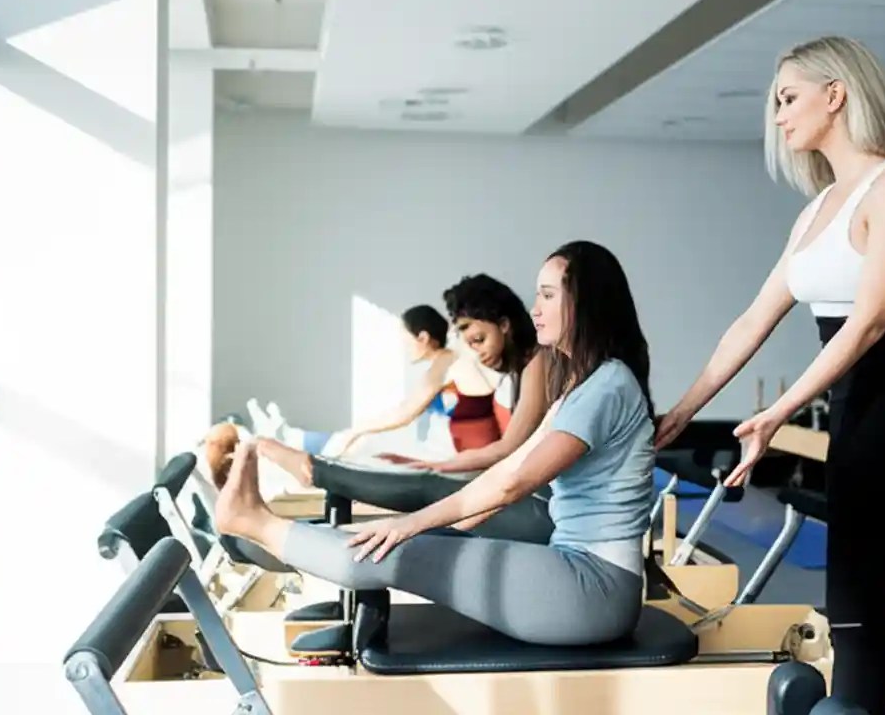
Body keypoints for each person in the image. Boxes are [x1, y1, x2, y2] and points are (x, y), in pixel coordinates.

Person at [654, 36, 885, 715]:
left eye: (788, 98)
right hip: (853, 401)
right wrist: (684, 410)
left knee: (860, 594)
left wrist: (779, 410)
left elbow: (871, 321)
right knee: (847, 595)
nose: (779, 116)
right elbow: (753, 319)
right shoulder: (817, 209)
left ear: (835, 95)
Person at [215, 241, 656, 646]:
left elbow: (514, 481)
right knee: (402, 542)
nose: (535, 309)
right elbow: (507, 470)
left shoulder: (608, 385)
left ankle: (258, 526)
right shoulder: (583, 387)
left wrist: (412, 523)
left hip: (594, 589)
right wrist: (436, 525)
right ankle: (275, 538)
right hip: (580, 570)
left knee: (396, 551)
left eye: (546, 295)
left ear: (583, 301)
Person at [254, 273, 557, 543]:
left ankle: (314, 470)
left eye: (479, 339)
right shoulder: (519, 373)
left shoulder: (539, 363)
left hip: (543, 511)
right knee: (421, 483)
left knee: (428, 488)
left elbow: (509, 449)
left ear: (504, 325)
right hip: (522, 495)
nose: (477, 351)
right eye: (471, 343)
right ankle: (317, 472)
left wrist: (441, 466)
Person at [323, 303, 507, 459]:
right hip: (469, 447)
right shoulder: (449, 360)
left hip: (472, 453)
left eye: (406, 341)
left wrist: (355, 431)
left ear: (423, 338)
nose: (405, 348)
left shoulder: (444, 364)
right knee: (370, 444)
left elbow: (405, 413)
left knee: (367, 445)